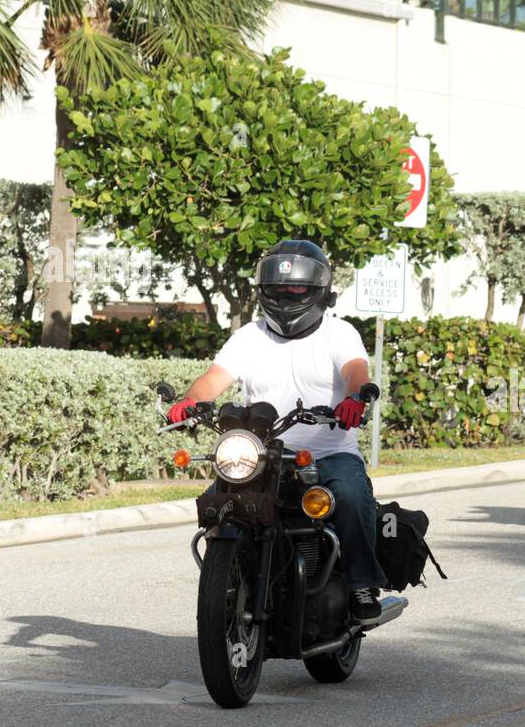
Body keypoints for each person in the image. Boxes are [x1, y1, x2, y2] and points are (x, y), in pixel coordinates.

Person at [166, 240, 387, 625]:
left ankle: (360, 584)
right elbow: (212, 380)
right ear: (263, 289)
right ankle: (232, 577)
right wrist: (188, 402)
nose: (287, 295)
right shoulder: (250, 337)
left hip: (328, 453)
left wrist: (354, 398)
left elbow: (355, 371)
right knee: (215, 501)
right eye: (279, 288)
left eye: (298, 288)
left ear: (320, 291)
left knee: (350, 495)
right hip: (263, 454)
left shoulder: (340, 334)